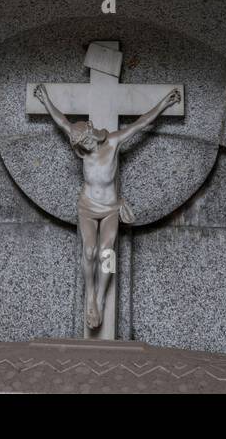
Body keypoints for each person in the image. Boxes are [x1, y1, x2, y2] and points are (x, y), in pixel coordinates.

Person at [34, 81, 182, 330]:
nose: (86, 148)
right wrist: (45, 100)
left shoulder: (112, 142)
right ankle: (90, 295)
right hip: (87, 206)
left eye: (87, 143)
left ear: (92, 134)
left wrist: (164, 104)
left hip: (110, 207)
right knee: (89, 252)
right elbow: (62, 121)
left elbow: (140, 123)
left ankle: (101, 297)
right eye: (81, 147)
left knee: (107, 254)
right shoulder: (82, 145)